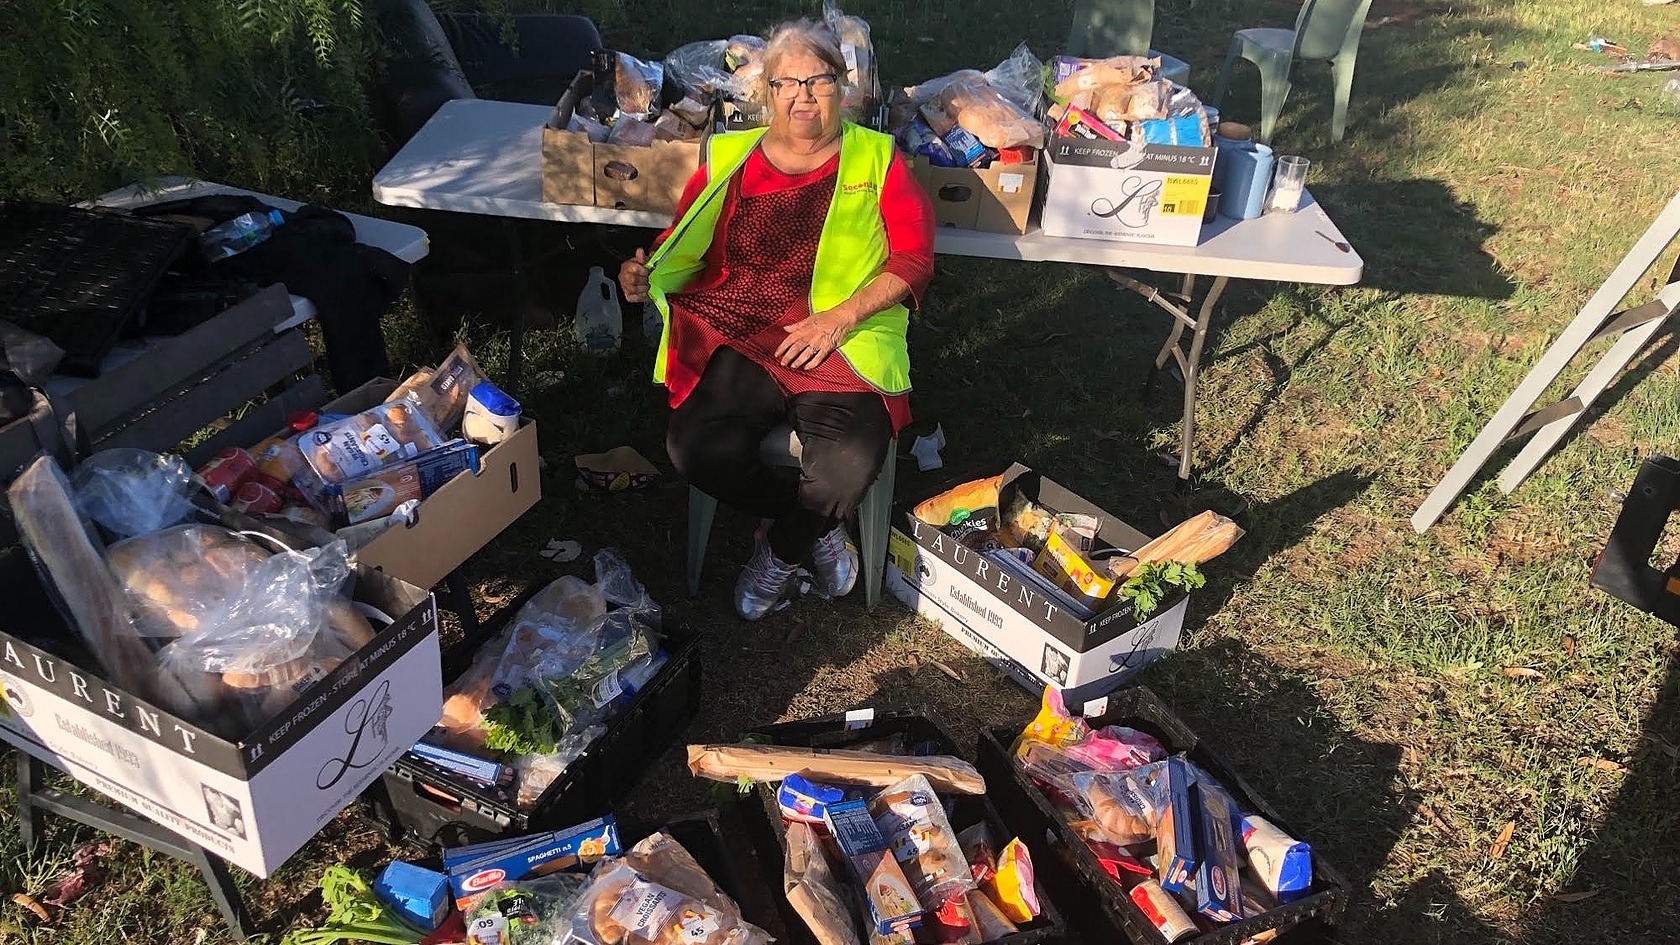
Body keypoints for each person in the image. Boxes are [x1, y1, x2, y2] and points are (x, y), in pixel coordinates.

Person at [619, 18, 934, 621]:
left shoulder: (878, 159)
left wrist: (838, 319)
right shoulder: (731, 158)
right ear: (767, 92)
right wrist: (642, 276)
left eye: (817, 80)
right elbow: (679, 240)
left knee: (848, 462)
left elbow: (914, 259)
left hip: (838, 337)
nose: (803, 96)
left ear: (844, 88)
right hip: (738, 328)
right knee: (695, 449)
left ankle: (782, 548)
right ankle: (814, 531)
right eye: (786, 83)